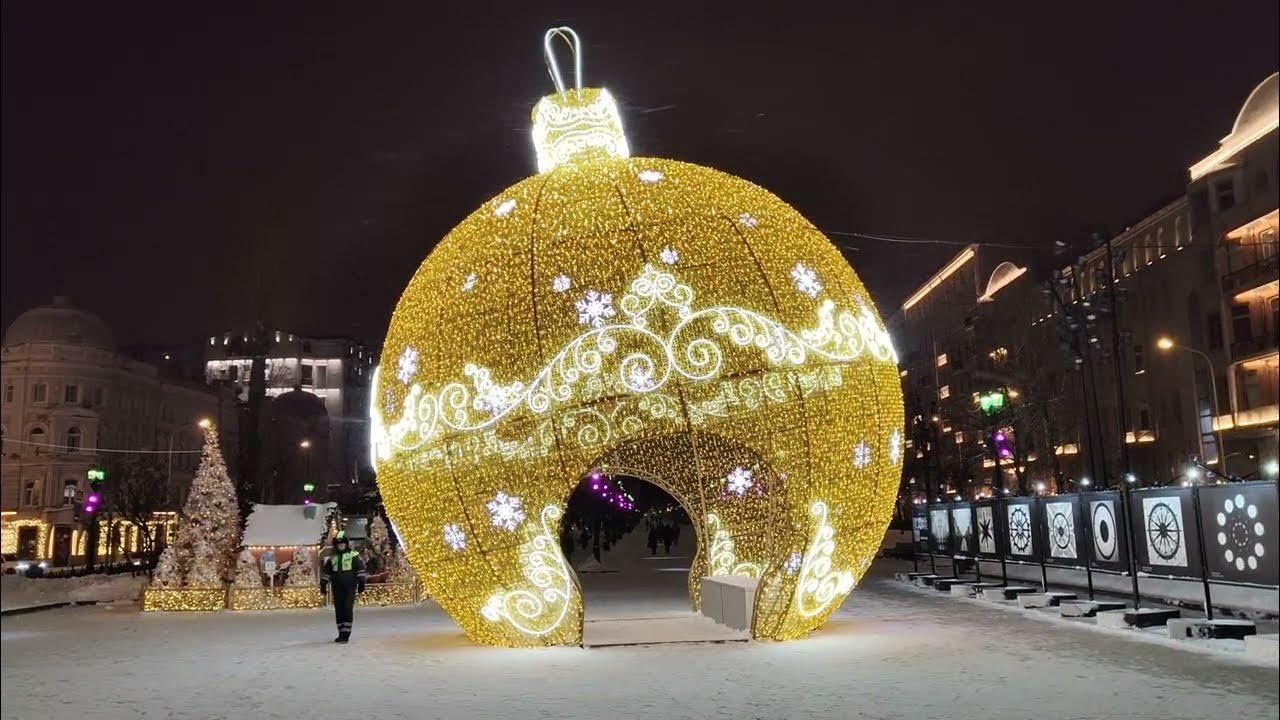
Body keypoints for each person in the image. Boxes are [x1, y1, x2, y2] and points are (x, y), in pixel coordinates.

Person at [320, 531, 366, 643]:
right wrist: (323, 583)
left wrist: (361, 583)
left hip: (350, 587)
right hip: (337, 587)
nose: (341, 546)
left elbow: (360, 569)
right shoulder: (332, 559)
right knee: (339, 610)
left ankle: (346, 634)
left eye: (343, 544)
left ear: (346, 544)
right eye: (339, 545)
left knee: (347, 608)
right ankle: (341, 632)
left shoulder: (353, 556)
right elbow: (327, 572)